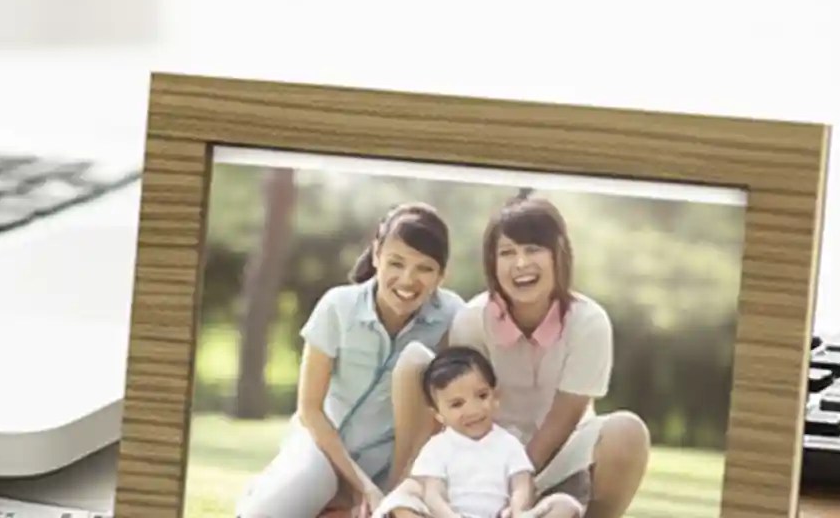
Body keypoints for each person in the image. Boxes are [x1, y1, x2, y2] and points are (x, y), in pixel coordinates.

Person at [389, 190, 650, 518]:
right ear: (492, 264)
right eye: (507, 252)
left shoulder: (589, 322)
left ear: (559, 255)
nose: (521, 263)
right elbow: (457, 402)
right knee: (414, 360)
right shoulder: (474, 319)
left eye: (533, 249)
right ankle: (400, 489)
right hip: (484, 450)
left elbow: (565, 418)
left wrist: (518, 484)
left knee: (627, 431)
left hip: (556, 452)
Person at [235, 203, 466, 518]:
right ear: (376, 256)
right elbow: (310, 410)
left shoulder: (452, 317)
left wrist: (397, 486)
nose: (407, 280)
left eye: (424, 268)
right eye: (396, 263)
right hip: (320, 448)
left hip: (390, 466)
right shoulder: (338, 306)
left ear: (442, 275)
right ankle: (272, 491)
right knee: (287, 500)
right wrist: (361, 486)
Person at [371, 346, 584, 518]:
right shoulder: (438, 447)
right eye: (457, 404)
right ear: (438, 414)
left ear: (496, 396)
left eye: (481, 396)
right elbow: (433, 493)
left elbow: (521, 483)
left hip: (501, 515)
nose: (472, 410)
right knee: (401, 503)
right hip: (451, 514)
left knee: (565, 505)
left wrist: (517, 509)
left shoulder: (507, 443)